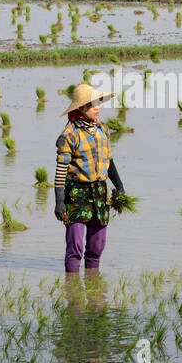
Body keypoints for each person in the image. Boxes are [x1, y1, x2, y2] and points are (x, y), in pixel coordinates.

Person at [54, 83, 125, 273]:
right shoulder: (70, 135)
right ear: (81, 108)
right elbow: (61, 170)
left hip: (99, 193)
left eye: (98, 103)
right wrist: (59, 201)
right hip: (77, 194)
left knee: (97, 246)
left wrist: (119, 186)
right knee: (75, 248)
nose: (97, 108)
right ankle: (73, 293)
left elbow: (108, 161)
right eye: (92, 104)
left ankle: (94, 291)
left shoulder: (103, 130)